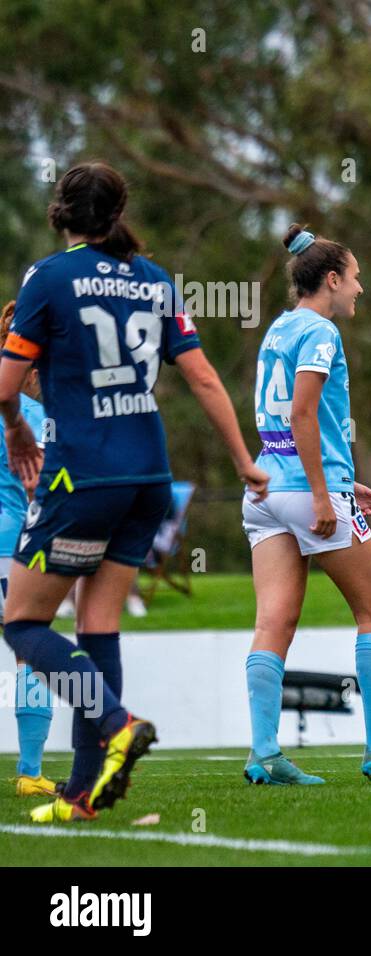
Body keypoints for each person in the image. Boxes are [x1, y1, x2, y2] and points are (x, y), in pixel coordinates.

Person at [0, 161, 269, 822]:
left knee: (25, 623)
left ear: (61, 212)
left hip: (80, 477)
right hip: (147, 476)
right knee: (99, 625)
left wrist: (15, 431)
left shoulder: (48, 277)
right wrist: (243, 460)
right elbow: (204, 378)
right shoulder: (156, 281)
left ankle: (118, 723)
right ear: (117, 212)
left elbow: (6, 387)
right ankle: (84, 792)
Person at [241, 223, 371, 785]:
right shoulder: (322, 333)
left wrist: (340, 483)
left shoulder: (279, 328)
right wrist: (325, 491)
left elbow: (284, 422)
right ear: (331, 279)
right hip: (308, 492)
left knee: (272, 624)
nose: (360, 289)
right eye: (355, 279)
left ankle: (263, 754)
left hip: (265, 492)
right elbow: (304, 415)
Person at [0, 300, 55, 798]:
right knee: (31, 656)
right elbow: (43, 489)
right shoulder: (33, 417)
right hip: (14, 545)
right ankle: (30, 772)